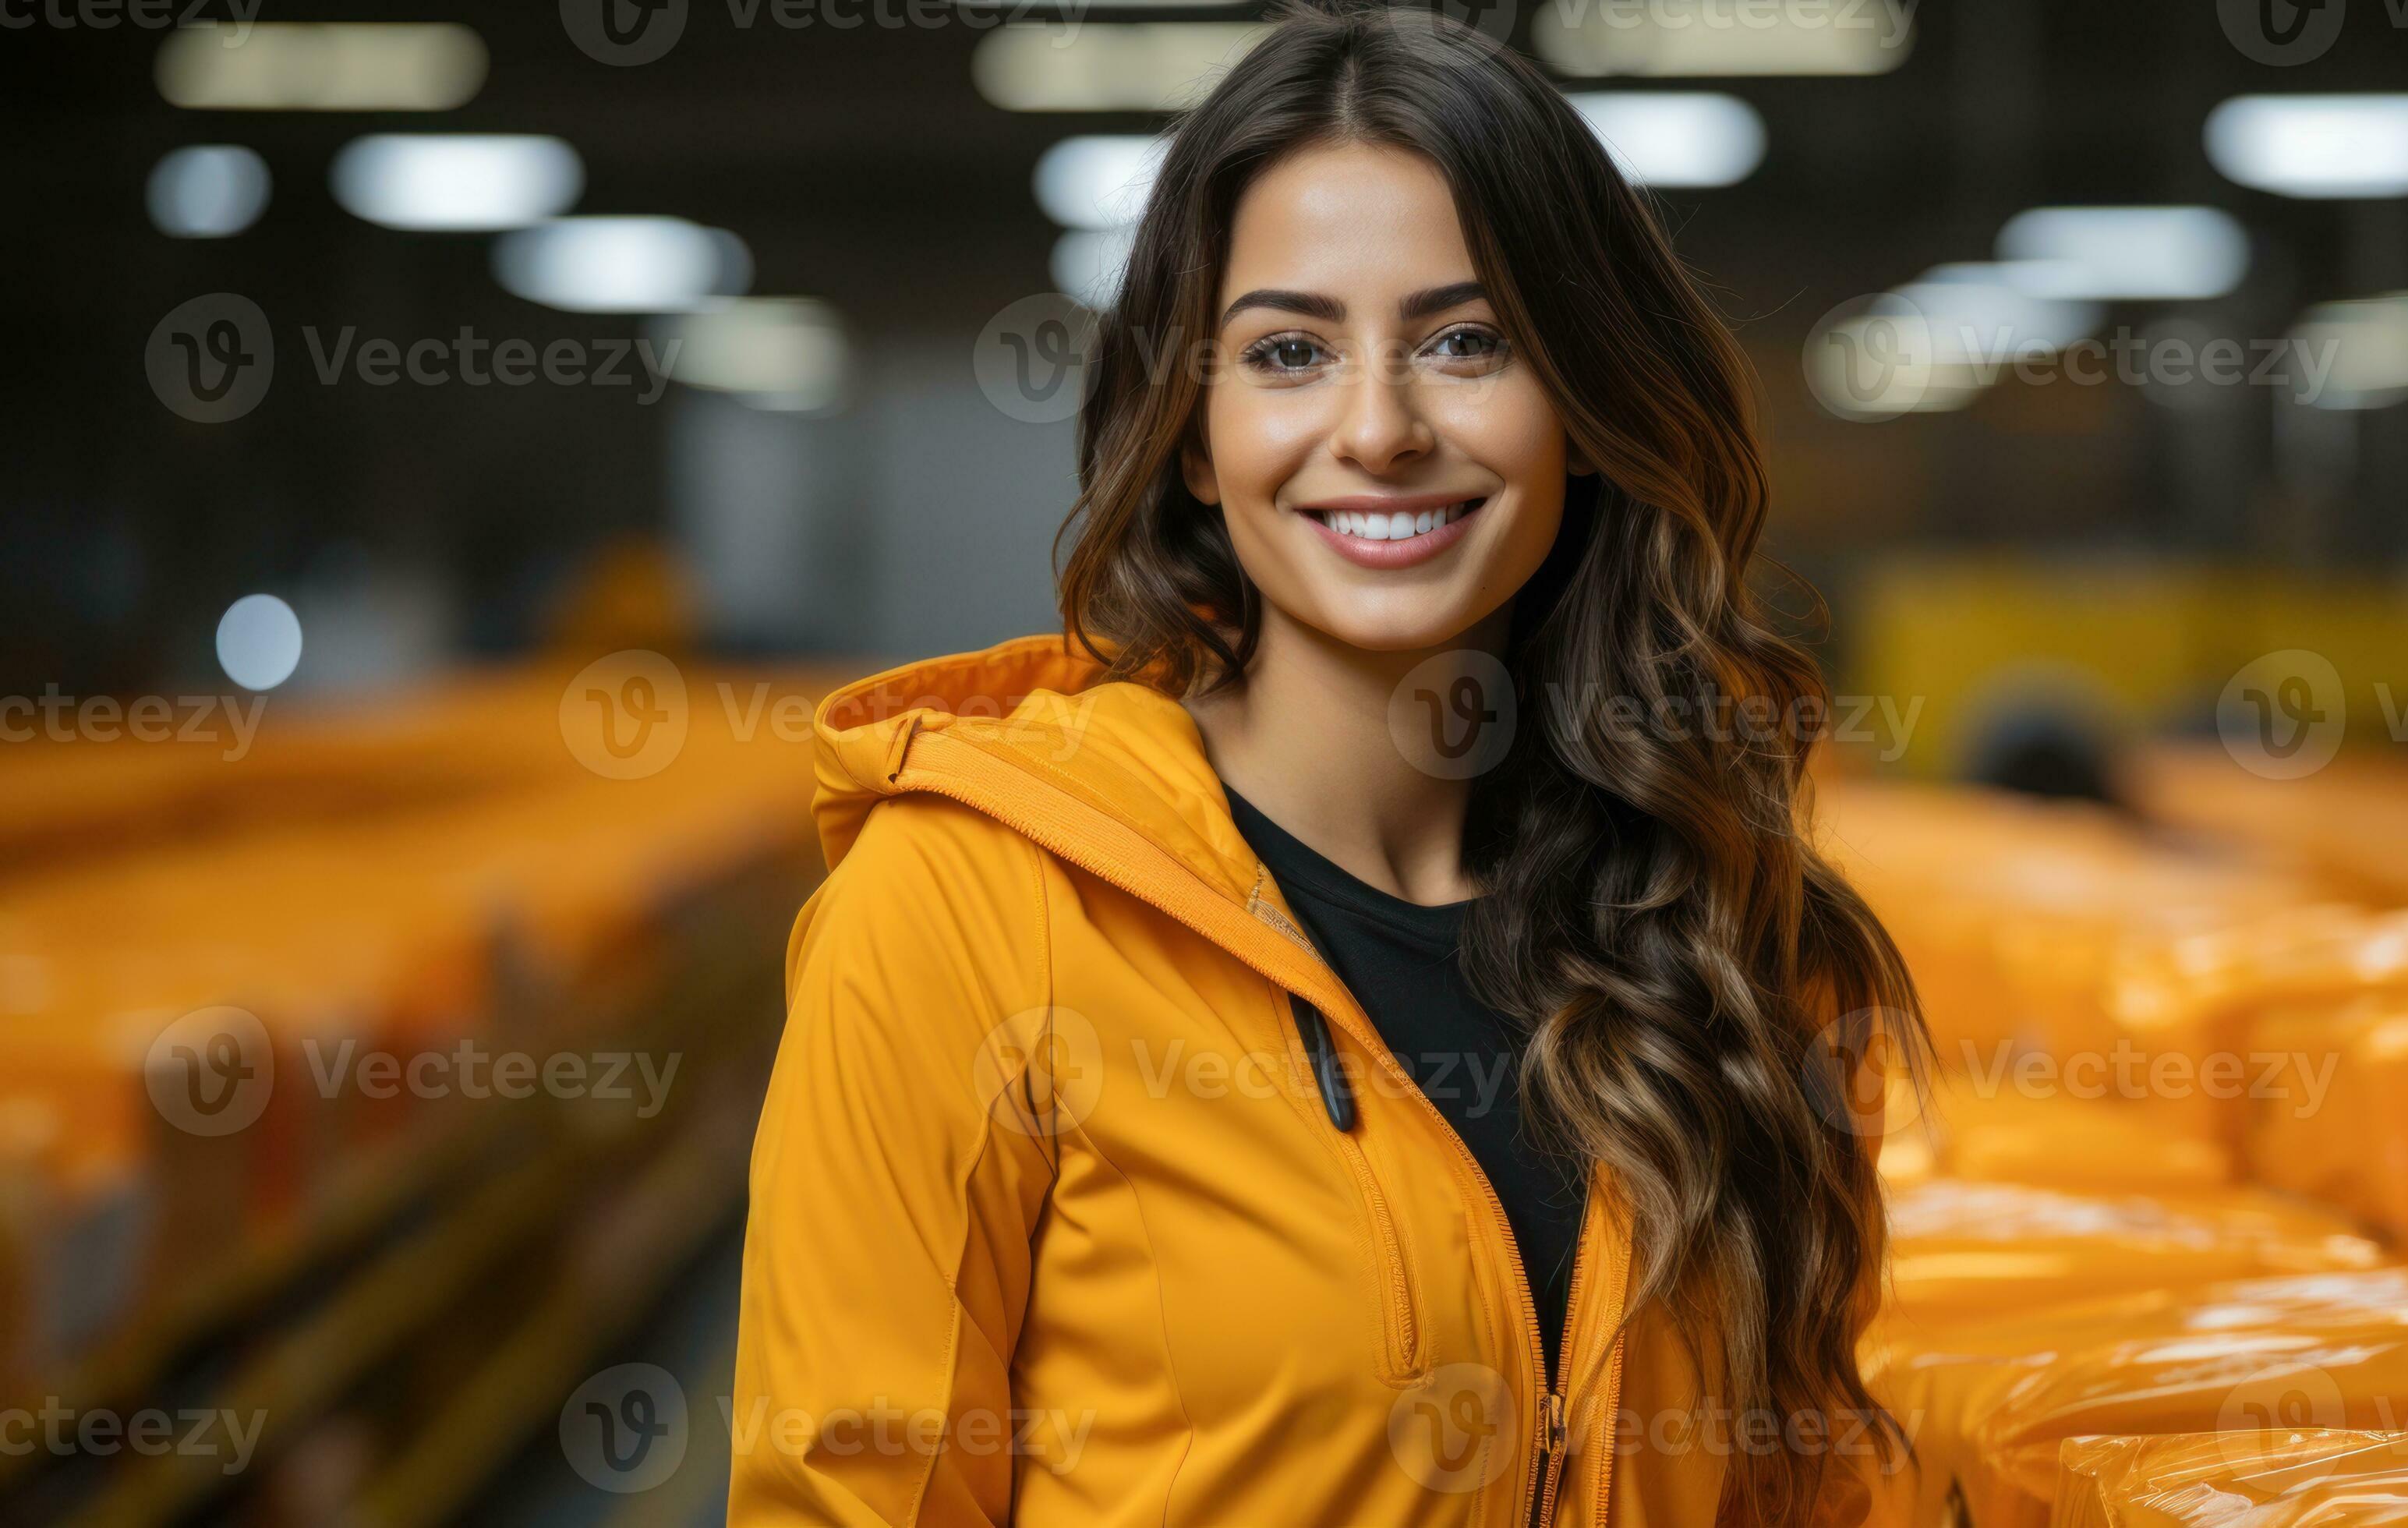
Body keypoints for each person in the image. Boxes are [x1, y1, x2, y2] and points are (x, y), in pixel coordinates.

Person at [728, 4, 1923, 1523]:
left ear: (1586, 400)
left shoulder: (1733, 936)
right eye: (1291, 349)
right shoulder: (964, 910)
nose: (1380, 426)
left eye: (1467, 340)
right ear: (1190, 430)